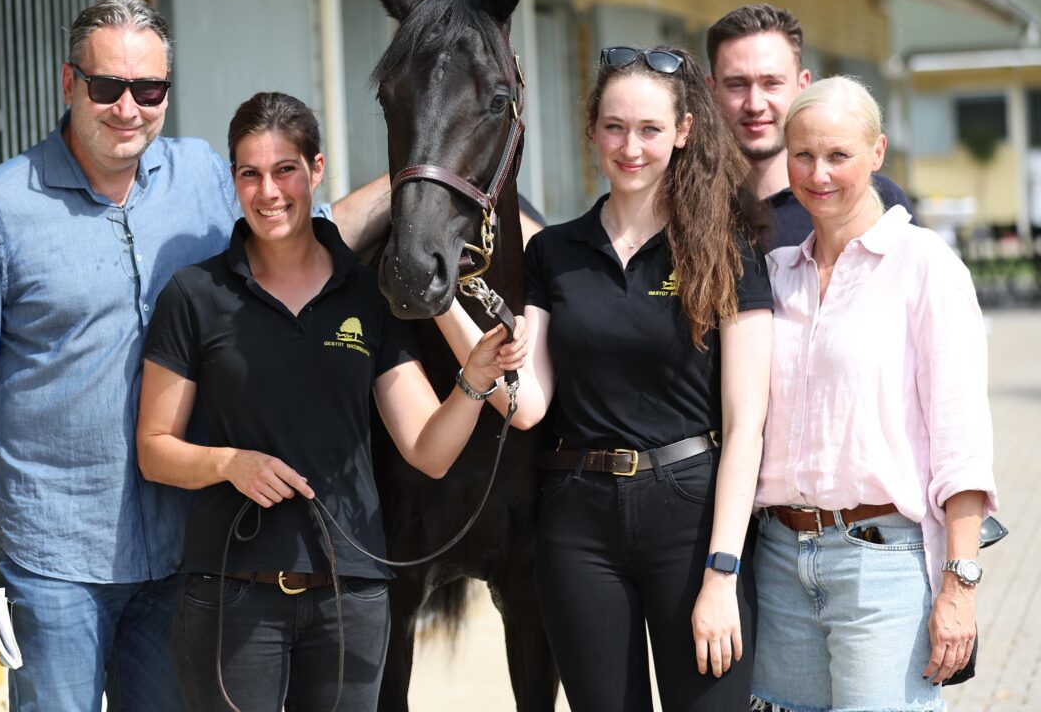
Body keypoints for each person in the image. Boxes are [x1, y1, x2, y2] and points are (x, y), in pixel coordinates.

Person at [0, 0, 377, 711]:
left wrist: (424, 185)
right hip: (54, 561)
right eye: (107, 87)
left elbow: (307, 224)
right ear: (69, 85)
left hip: (182, 554)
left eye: (148, 89)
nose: (128, 108)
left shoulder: (204, 180)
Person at [135, 91, 525, 711]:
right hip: (234, 597)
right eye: (250, 174)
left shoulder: (368, 296)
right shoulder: (195, 295)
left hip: (350, 602)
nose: (269, 193)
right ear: (233, 181)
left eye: (285, 169)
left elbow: (427, 448)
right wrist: (228, 463)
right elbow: (155, 451)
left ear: (316, 172)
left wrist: (473, 379)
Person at [437, 46, 773, 711]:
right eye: (614, 127)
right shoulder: (554, 252)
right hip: (579, 521)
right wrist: (443, 302)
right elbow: (528, 405)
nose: (631, 147)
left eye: (650, 130)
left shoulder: (725, 250)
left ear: (682, 133)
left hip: (691, 516)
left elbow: (746, 427)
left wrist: (722, 573)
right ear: (592, 129)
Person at [752, 76, 997, 711]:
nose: (818, 172)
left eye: (838, 155)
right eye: (802, 154)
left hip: (881, 568)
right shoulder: (774, 276)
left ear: (878, 152)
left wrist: (960, 585)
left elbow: (961, 444)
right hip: (779, 563)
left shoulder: (925, 266)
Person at [705, 3, 918, 250]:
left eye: (772, 83)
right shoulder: (692, 206)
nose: (755, 104)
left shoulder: (875, 199)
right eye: (737, 84)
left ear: (802, 84)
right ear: (712, 90)